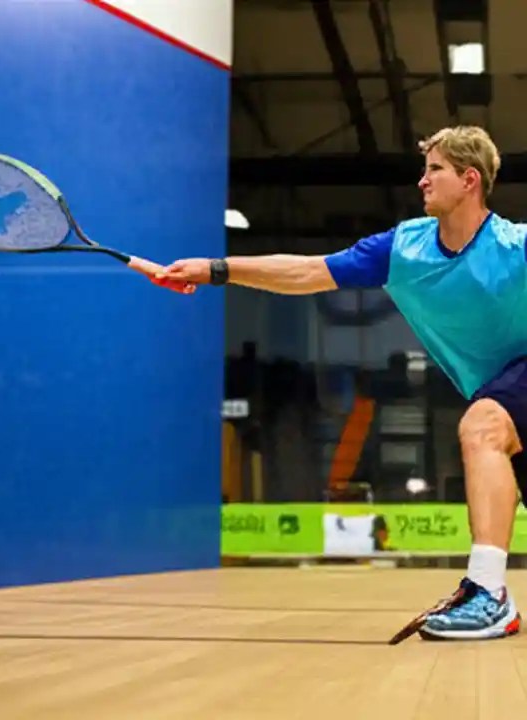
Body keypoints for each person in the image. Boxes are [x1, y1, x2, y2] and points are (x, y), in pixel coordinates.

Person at [160, 124, 523, 641]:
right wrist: (215, 269)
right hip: (506, 390)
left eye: (435, 169)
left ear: (469, 180)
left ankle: (489, 593)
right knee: (488, 424)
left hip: (512, 386)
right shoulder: (402, 249)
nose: (422, 181)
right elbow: (308, 271)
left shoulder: (516, 246)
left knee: (482, 427)